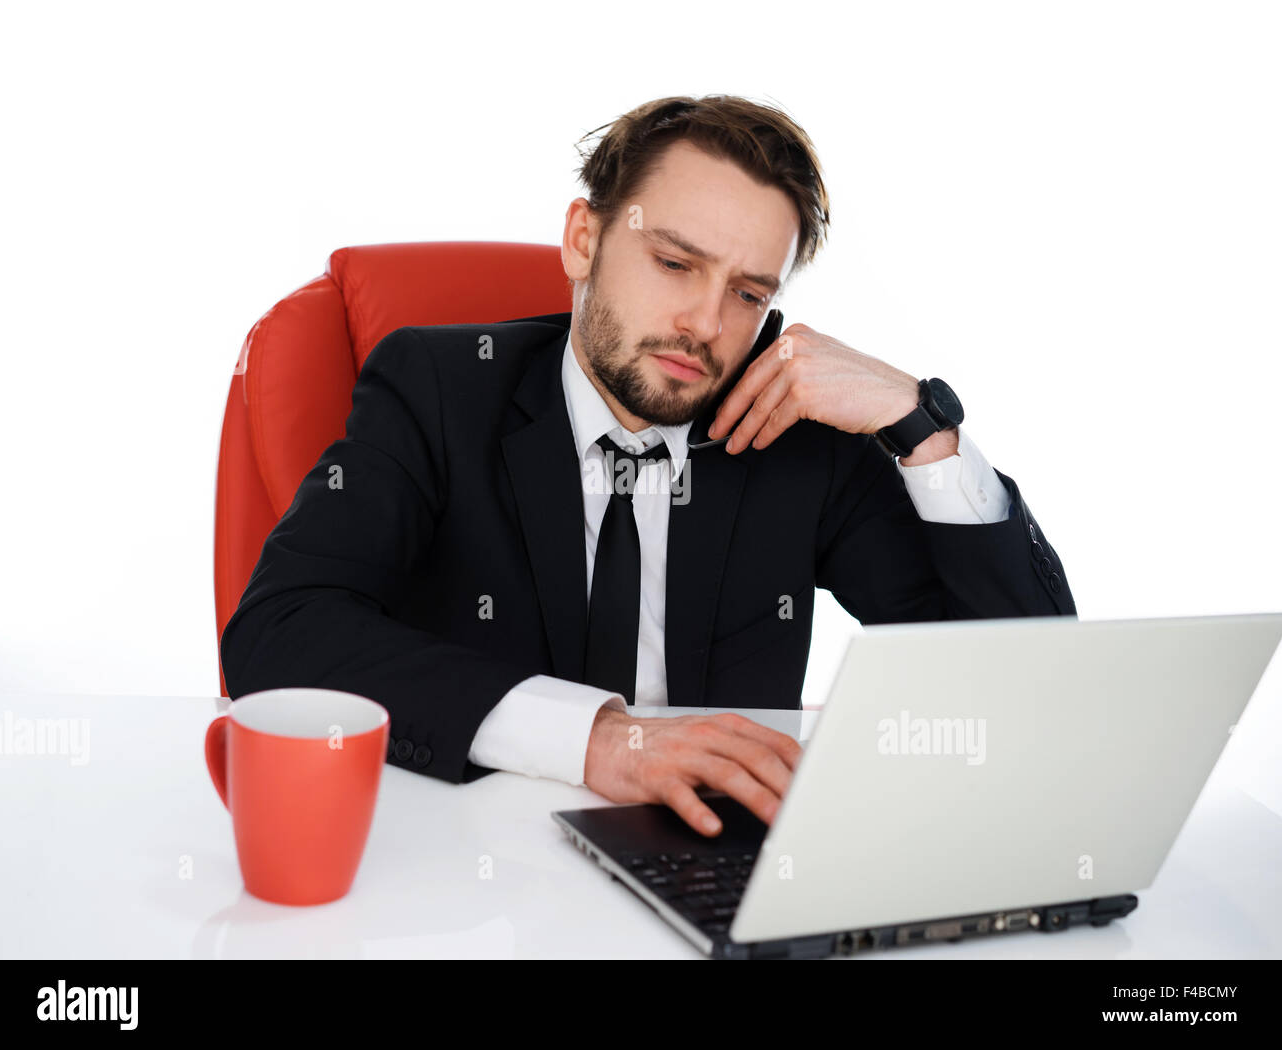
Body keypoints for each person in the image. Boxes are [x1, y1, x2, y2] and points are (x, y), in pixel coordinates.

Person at [220, 94, 1074, 838]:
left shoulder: (793, 427)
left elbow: (1017, 693)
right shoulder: (440, 389)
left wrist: (922, 428)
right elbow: (280, 632)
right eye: (673, 263)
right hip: (471, 871)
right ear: (584, 240)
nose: (705, 324)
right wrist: (594, 739)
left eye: (748, 293)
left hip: (711, 864)